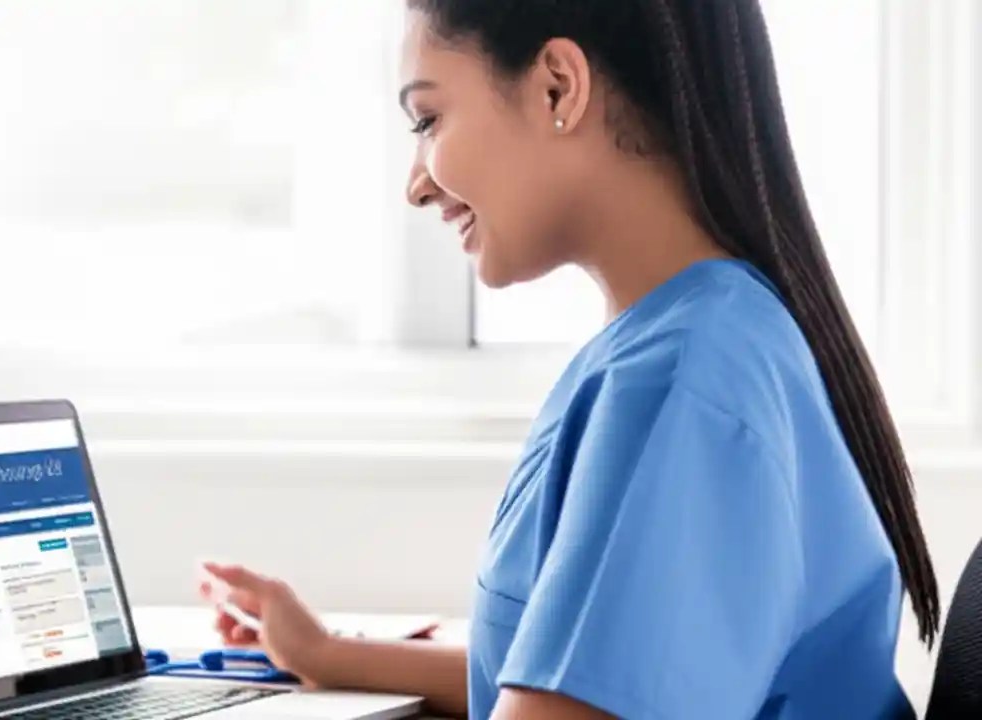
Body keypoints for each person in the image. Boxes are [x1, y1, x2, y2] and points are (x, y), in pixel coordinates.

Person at [199, 1, 938, 717]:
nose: (417, 184)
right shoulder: (696, 336)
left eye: (429, 120)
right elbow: (565, 676)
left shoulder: (681, 381)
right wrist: (328, 654)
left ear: (559, 85)